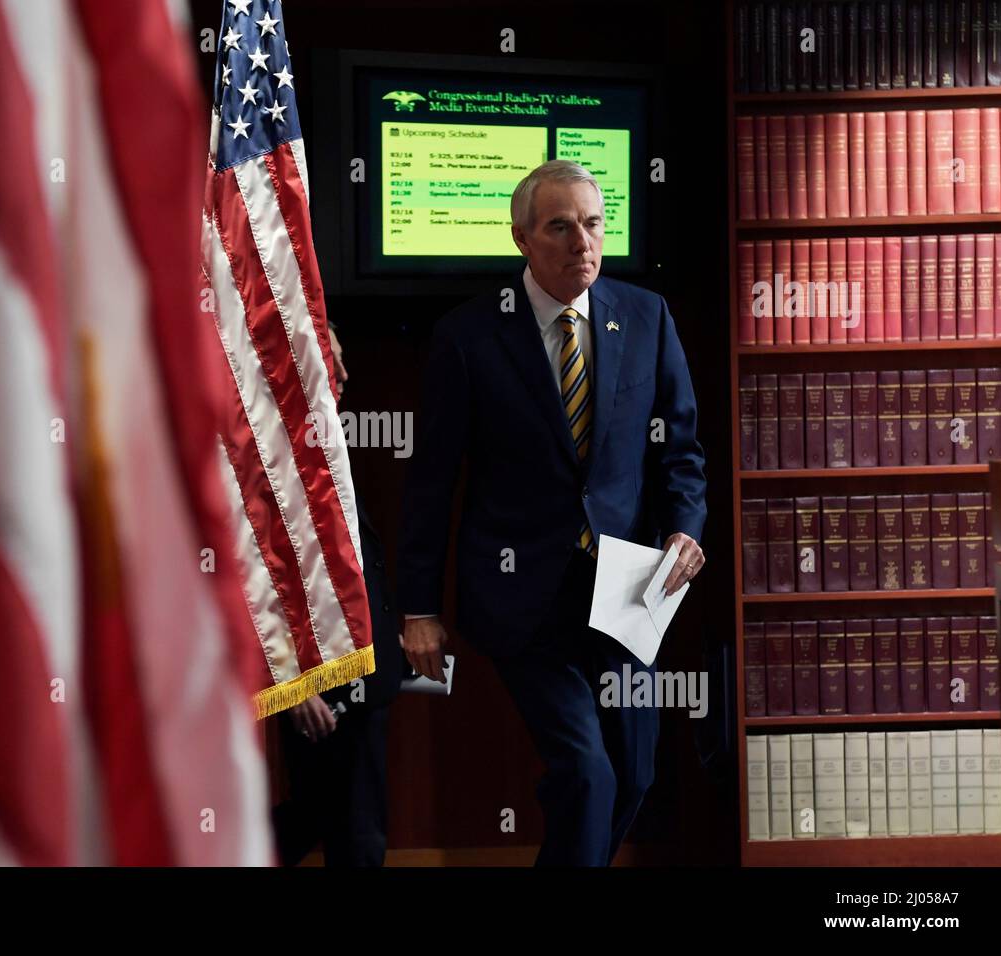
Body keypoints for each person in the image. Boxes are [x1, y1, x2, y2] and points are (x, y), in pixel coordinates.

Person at [397, 160, 707, 866]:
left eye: (594, 224)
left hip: (627, 595)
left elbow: (681, 452)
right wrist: (418, 606)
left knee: (635, 774)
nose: (582, 243)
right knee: (586, 776)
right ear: (522, 239)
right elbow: (430, 482)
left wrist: (686, 528)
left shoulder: (648, 317)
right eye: (560, 226)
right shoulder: (468, 337)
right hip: (521, 601)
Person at [271, 324, 405, 866]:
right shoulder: (268, 455)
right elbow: (257, 575)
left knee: (342, 822)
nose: (342, 372)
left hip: (364, 666)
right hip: (314, 676)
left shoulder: (324, 439)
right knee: (345, 829)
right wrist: (289, 680)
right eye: (327, 358)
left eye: (340, 356)